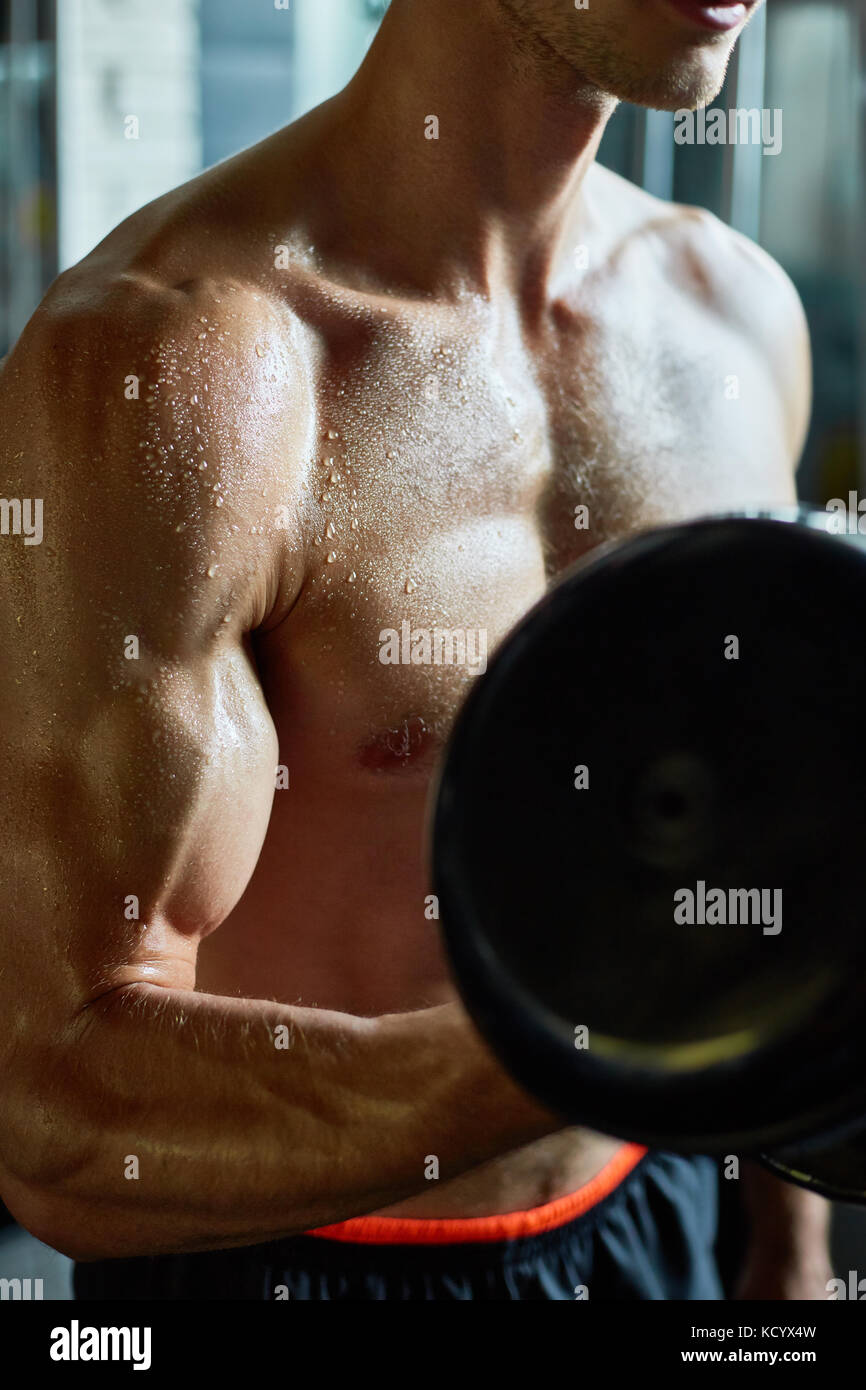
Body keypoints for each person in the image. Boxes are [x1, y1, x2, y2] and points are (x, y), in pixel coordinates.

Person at [0, 0, 832, 1299]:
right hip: (304, 1258)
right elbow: (55, 1111)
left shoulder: (733, 315)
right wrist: (608, 1043)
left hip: (657, 1212)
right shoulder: (177, 369)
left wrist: (789, 1248)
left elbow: (774, 838)